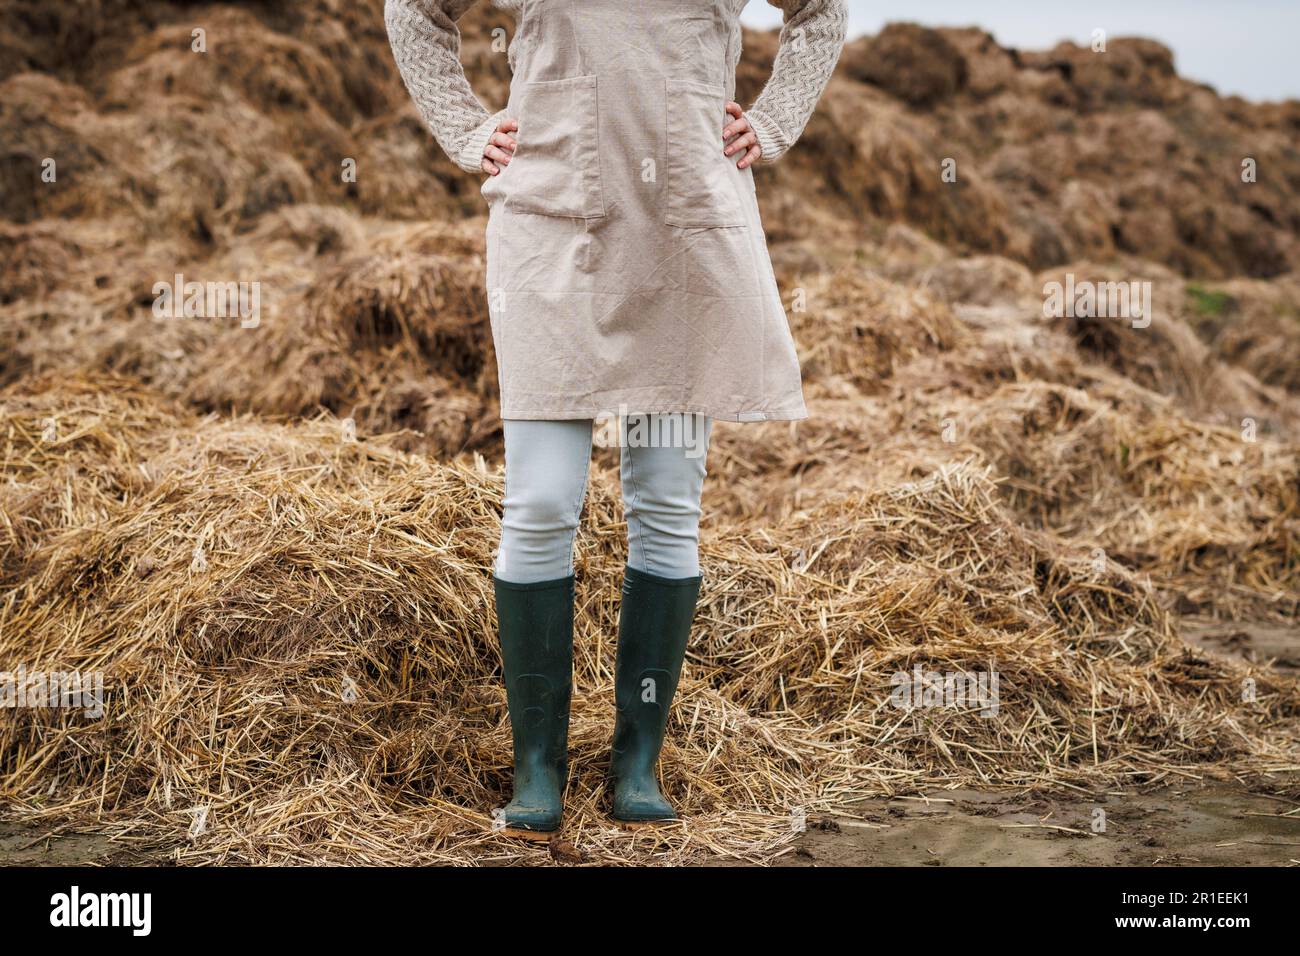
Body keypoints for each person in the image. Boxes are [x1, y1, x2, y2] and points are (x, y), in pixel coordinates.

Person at [386, 0, 847, 836]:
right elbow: (416, 11)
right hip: (550, 235)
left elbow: (820, 11)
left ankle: (637, 762)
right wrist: (463, 129)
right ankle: (539, 771)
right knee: (540, 504)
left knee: (668, 503)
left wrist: (774, 121)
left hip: (688, 238)